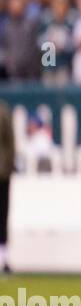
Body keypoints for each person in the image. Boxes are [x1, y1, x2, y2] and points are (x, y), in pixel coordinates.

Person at [0, 99, 10, 273]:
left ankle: (3, 259)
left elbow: (10, 142)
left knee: (2, 217)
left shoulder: (3, 113)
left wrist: (5, 168)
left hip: (1, 175)